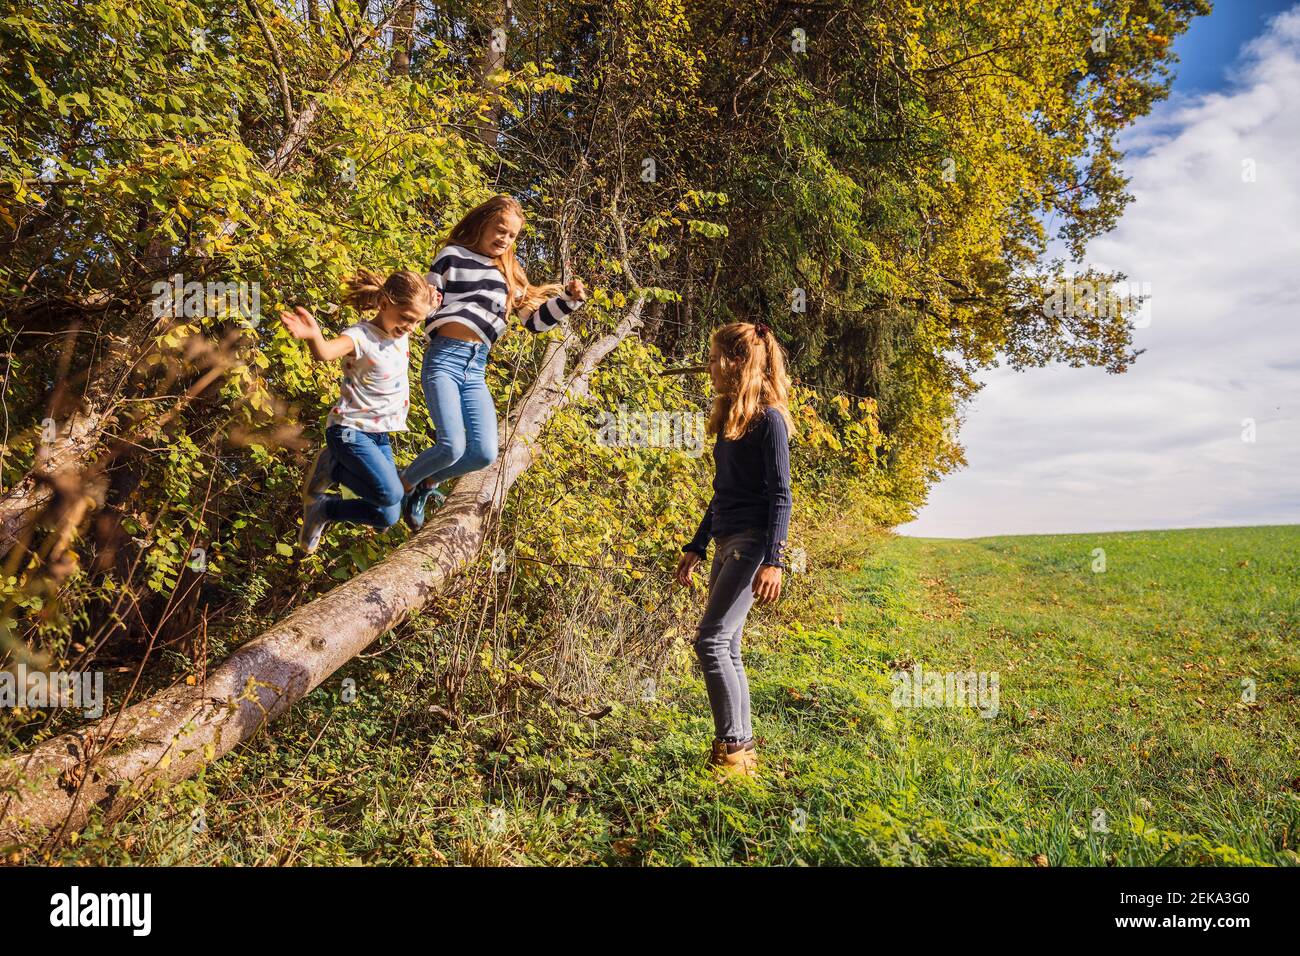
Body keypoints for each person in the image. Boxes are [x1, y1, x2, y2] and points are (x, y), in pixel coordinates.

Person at [400, 194, 587, 529]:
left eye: (512, 235)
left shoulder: (510, 274)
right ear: (483, 222)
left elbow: (535, 322)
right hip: (444, 357)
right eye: (500, 229)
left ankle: (425, 486)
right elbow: (425, 304)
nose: (504, 239)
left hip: (475, 367)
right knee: (451, 445)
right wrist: (418, 313)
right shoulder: (452, 256)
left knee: (483, 453)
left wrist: (569, 302)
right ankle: (400, 487)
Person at [675, 321, 794, 777]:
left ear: (735, 361)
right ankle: (740, 751)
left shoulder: (770, 420)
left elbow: (781, 494)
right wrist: (697, 544)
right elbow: (722, 490)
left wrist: (774, 559)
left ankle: (732, 748)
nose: (708, 367)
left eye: (712, 359)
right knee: (730, 646)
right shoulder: (731, 419)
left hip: (752, 544)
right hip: (726, 539)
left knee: (710, 640)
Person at [279, 269, 439, 552]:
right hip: (349, 431)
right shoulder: (360, 336)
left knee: (387, 515)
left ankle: (324, 510)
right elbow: (325, 353)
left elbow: (422, 303)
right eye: (406, 319)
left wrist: (433, 300)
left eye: (417, 321)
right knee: (391, 492)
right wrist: (313, 335)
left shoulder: (401, 325)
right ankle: (334, 467)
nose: (410, 327)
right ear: (385, 304)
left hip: (378, 435)